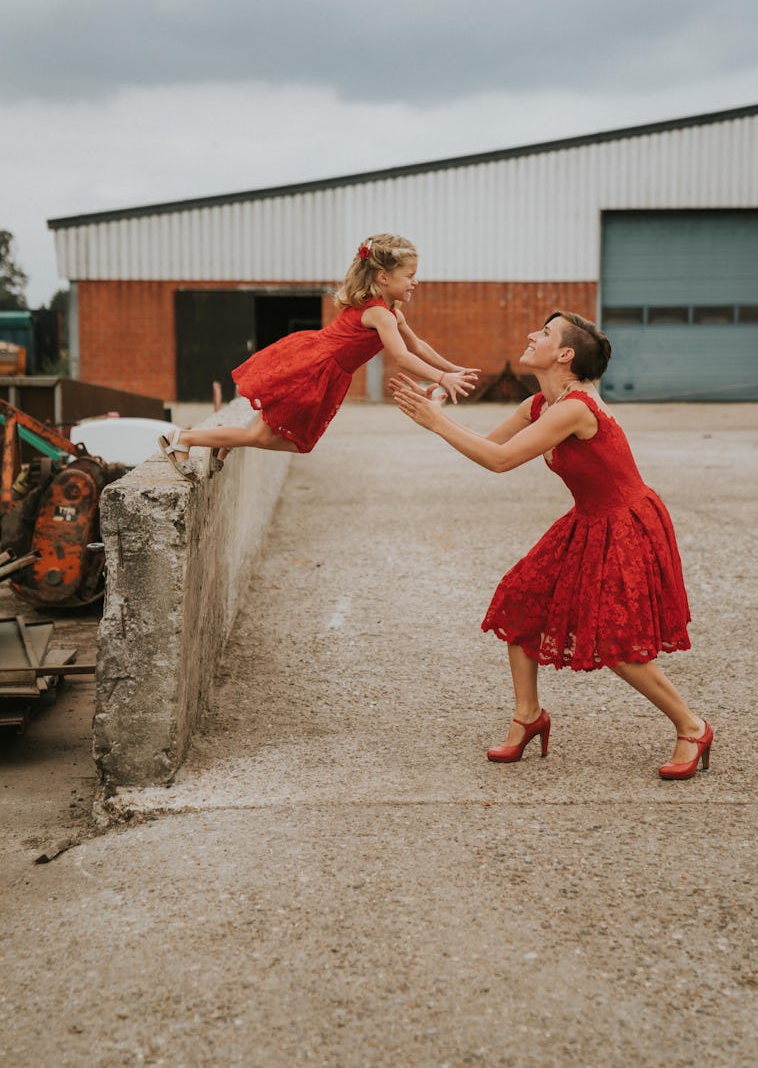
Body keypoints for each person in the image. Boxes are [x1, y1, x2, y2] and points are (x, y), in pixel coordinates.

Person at [391, 310, 713, 781]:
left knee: (616, 643)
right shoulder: (542, 402)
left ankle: (693, 726)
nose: (529, 335)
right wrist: (436, 409)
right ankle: (528, 716)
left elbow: (500, 462)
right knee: (520, 602)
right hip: (588, 520)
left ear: (565, 354)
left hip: (624, 524)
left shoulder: (576, 408)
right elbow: (489, 445)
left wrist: (437, 423)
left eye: (543, 334)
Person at [158, 233, 479, 479]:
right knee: (261, 434)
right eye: (409, 275)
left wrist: (454, 369)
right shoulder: (378, 313)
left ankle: (223, 439)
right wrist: (441, 378)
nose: (415, 281)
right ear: (383, 277)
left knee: (297, 442)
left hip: (321, 369)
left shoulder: (391, 311)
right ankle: (182, 438)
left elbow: (417, 346)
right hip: (312, 368)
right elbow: (403, 358)